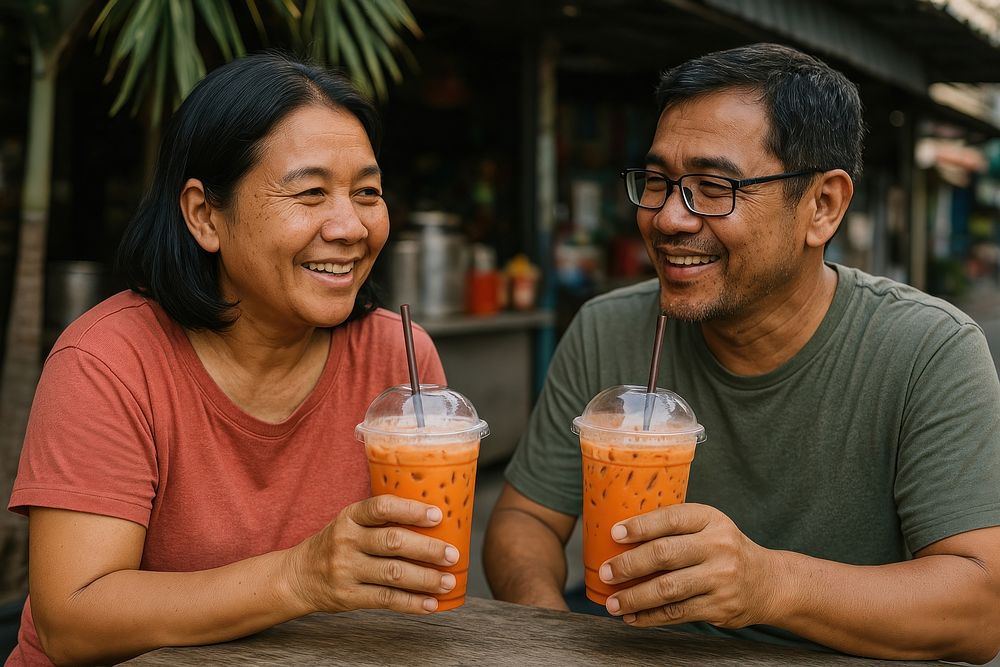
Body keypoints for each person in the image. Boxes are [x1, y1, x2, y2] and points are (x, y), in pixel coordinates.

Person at [484, 43, 1000, 663]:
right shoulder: (609, 327)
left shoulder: (928, 351)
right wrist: (554, 637)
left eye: (714, 187)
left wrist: (770, 586)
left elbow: (982, 607)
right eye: (658, 183)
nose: (670, 218)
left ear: (822, 206)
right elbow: (525, 523)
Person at [7, 52, 456, 665]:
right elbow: (73, 619)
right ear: (204, 215)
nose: (350, 225)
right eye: (310, 193)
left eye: (367, 192)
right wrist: (300, 577)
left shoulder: (398, 357)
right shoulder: (108, 361)